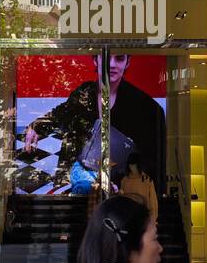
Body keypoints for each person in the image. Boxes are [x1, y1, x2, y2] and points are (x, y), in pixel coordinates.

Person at [23, 53, 166, 189]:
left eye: (119, 58)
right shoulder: (84, 92)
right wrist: (36, 127)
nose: (112, 64)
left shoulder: (147, 108)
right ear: (95, 60)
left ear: (127, 62)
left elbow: (152, 164)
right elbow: (61, 112)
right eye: (105, 58)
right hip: (75, 186)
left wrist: (127, 184)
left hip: (117, 193)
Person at [117, 152, 159, 224]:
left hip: (143, 218)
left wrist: (153, 219)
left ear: (138, 165)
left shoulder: (147, 180)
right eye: (130, 165)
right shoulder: (125, 180)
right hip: (129, 218)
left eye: (134, 165)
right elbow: (122, 200)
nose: (132, 167)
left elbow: (153, 201)